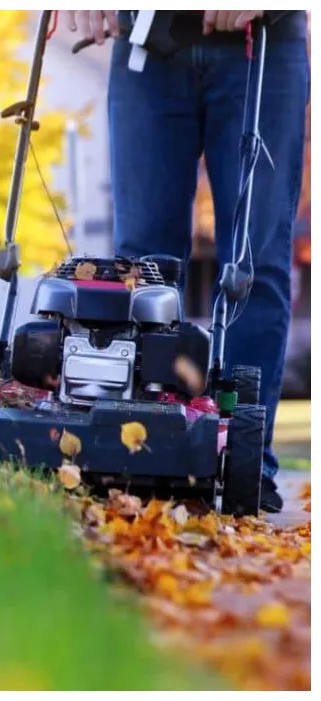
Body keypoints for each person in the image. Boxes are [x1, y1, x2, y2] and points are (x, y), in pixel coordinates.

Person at [62, 10, 310, 513]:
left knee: (252, 262)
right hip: (147, 46)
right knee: (142, 271)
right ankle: (141, 454)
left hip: (261, 44)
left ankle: (244, 461)